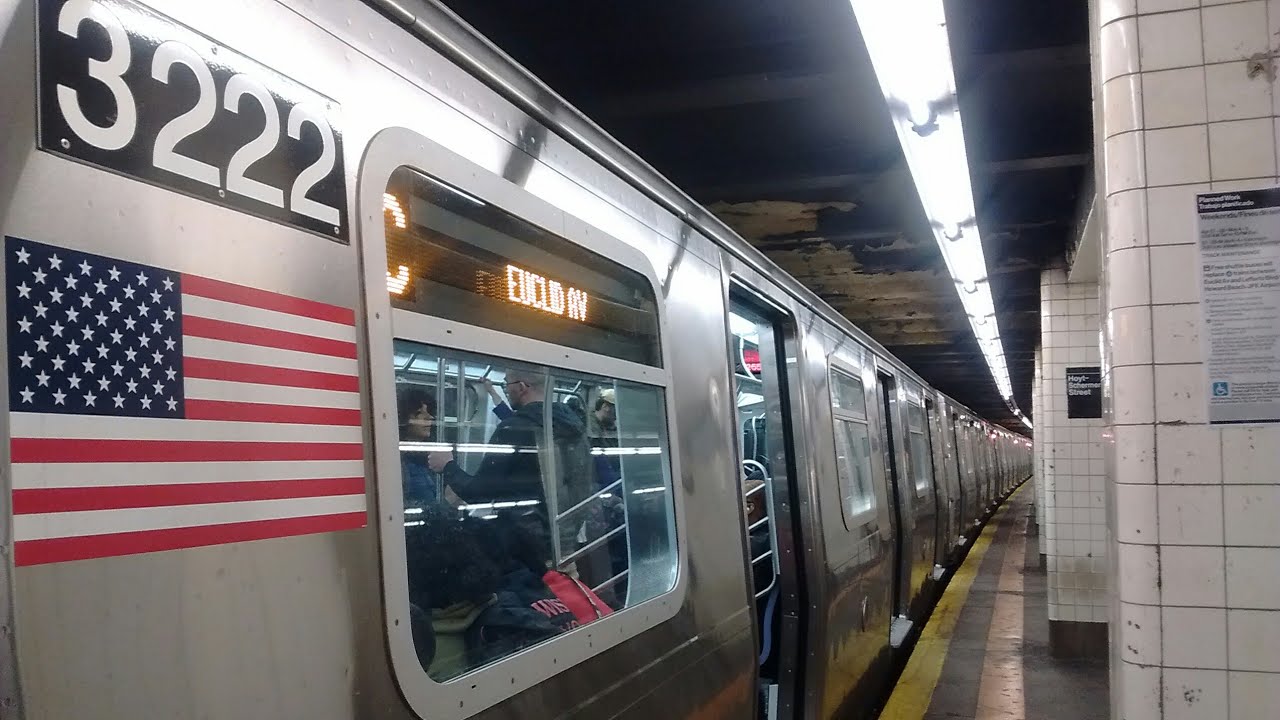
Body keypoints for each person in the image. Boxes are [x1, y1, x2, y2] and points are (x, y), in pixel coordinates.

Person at [427, 368, 594, 569]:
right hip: (565, 548)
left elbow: (479, 493)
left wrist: (448, 466)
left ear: (522, 387)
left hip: (526, 555)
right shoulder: (574, 427)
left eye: (507, 384)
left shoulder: (513, 428)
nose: (505, 390)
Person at [398, 385, 441, 506]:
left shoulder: (427, 456)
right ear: (404, 419)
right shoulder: (400, 462)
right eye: (419, 413)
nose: (429, 417)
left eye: (429, 412)